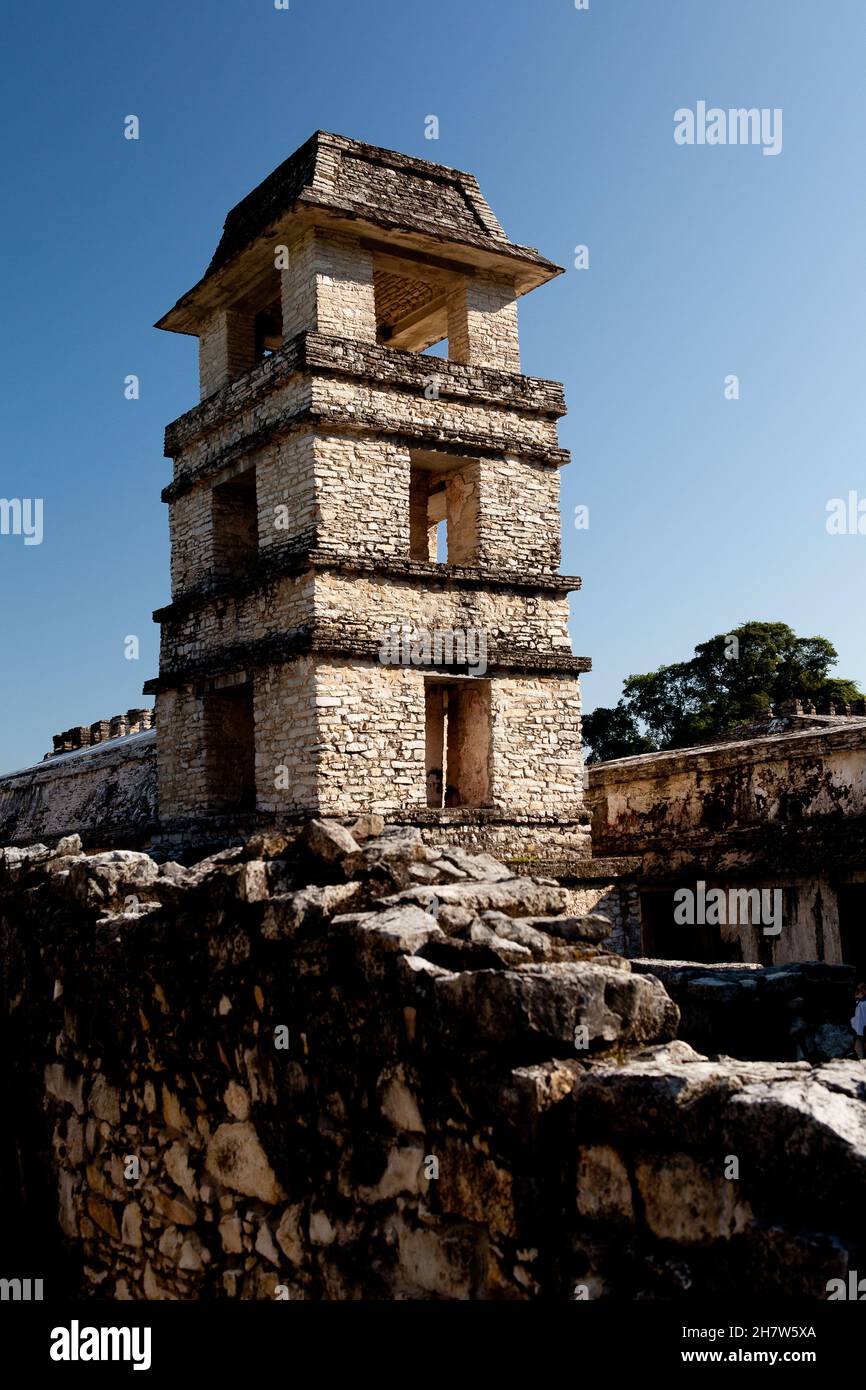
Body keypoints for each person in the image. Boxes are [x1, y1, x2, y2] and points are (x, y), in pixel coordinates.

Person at [851, 983, 866, 1059]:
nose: (856, 993)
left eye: (859, 990)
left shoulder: (863, 1003)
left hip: (862, 1032)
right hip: (857, 1033)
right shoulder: (858, 1002)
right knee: (859, 1052)